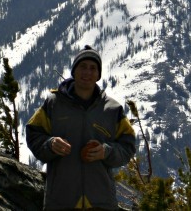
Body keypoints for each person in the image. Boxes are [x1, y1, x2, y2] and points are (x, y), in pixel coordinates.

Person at [26, 45, 136, 210]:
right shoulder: (54, 104)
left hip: (101, 203)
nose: (87, 72)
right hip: (61, 201)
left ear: (98, 75)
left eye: (93, 68)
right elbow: (33, 133)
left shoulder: (112, 110)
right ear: (74, 71)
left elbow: (128, 146)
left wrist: (106, 151)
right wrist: (50, 144)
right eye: (82, 67)